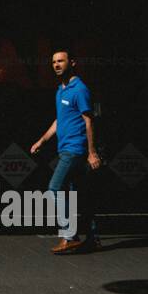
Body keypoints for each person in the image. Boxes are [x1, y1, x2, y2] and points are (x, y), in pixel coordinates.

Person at [30, 50, 102, 254]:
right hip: (66, 149)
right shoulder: (60, 90)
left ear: (72, 63)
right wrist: (42, 140)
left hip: (75, 149)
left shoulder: (79, 90)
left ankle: (69, 236)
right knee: (78, 194)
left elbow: (89, 121)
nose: (56, 64)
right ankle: (92, 238)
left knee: (54, 188)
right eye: (53, 62)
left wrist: (92, 152)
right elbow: (59, 120)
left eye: (60, 61)